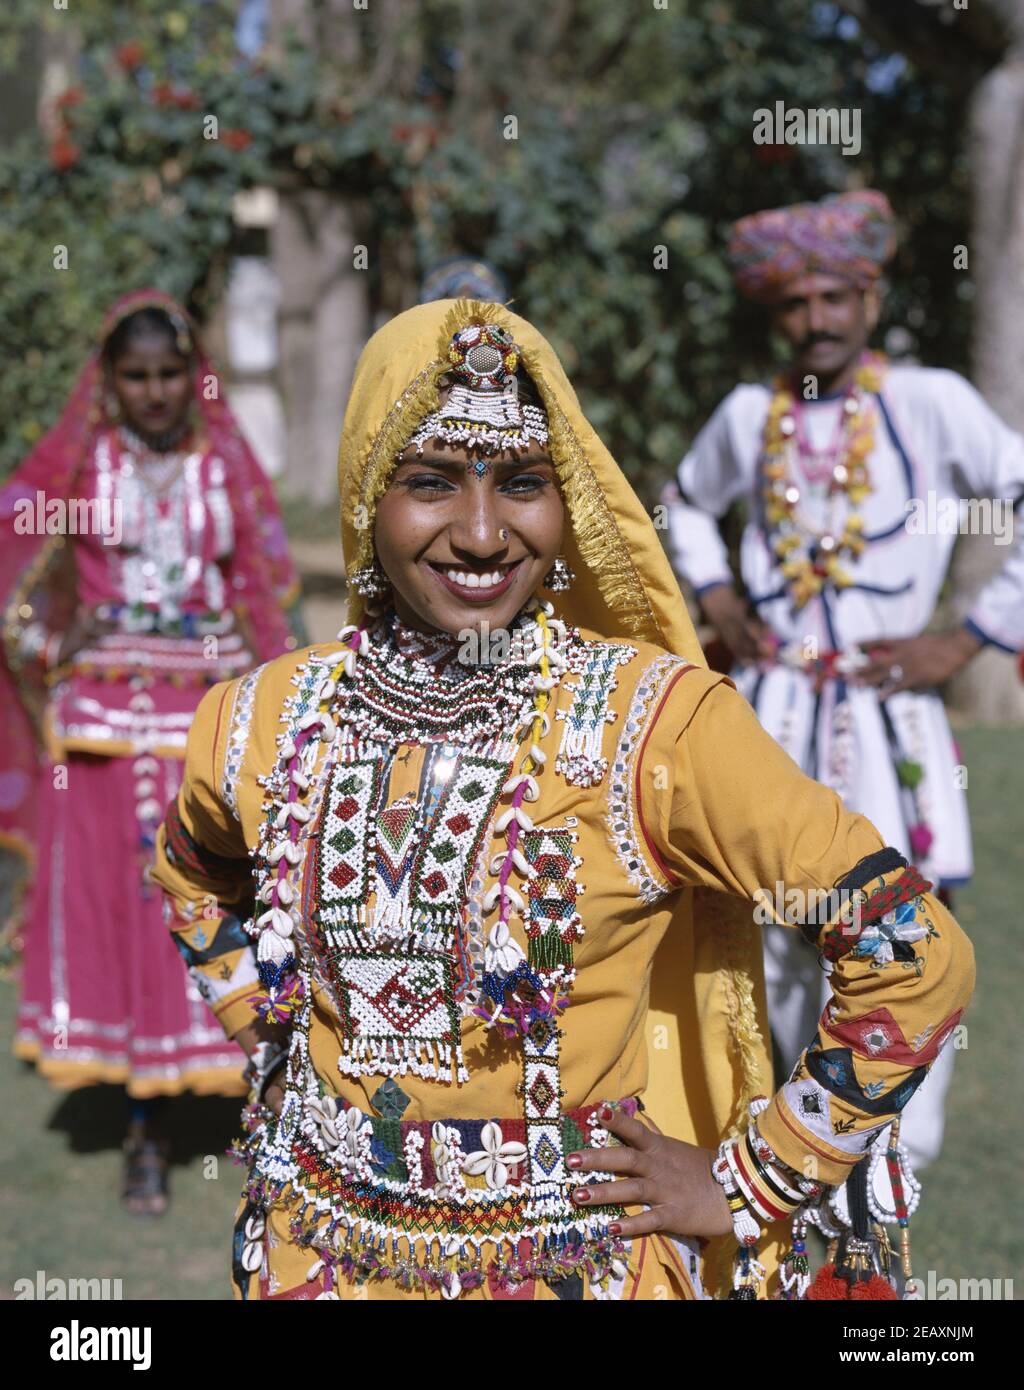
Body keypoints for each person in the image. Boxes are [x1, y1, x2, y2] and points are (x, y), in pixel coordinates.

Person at [151, 299, 972, 1300]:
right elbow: (192, 877)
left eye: (523, 483)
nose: (484, 530)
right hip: (315, 1257)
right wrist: (269, 1037)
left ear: (565, 501)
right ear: (369, 494)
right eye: (431, 483)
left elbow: (911, 952)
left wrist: (756, 1173)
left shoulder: (653, 725)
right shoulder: (262, 718)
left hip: (570, 1267)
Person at [664, 191, 1023, 1172]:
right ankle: (810, 1155)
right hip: (773, 715)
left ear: (869, 299)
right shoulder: (747, 417)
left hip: (894, 721)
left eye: (835, 296)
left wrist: (968, 637)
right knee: (779, 931)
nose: (815, 319)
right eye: (793, 302)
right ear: (771, 313)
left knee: (910, 930)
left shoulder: (930, 402)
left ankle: (898, 1169)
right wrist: (714, 591)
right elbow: (685, 505)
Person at [0, 289, 303, 1215]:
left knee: (223, 905)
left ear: (193, 374)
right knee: (128, 911)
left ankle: (247, 1105)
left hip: (208, 720)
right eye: (136, 376)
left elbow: (260, 581)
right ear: (111, 380)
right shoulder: (81, 466)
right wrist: (56, 633)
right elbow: (13, 555)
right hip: (100, 727)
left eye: (170, 372)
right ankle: (142, 1123)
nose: (156, 391)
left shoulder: (226, 466)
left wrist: (285, 697)